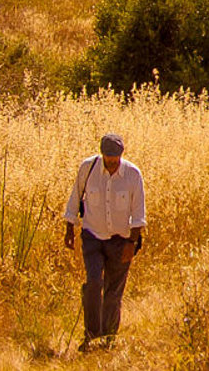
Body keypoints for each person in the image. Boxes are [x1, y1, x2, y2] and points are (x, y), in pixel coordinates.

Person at [63, 132, 147, 349]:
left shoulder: (132, 175)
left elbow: (138, 214)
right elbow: (75, 198)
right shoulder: (87, 169)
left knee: (113, 291)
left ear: (121, 154)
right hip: (92, 236)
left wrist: (131, 243)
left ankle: (109, 338)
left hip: (121, 240)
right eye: (108, 156)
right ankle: (91, 335)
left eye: (115, 156)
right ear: (102, 154)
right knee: (93, 284)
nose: (111, 160)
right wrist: (69, 228)